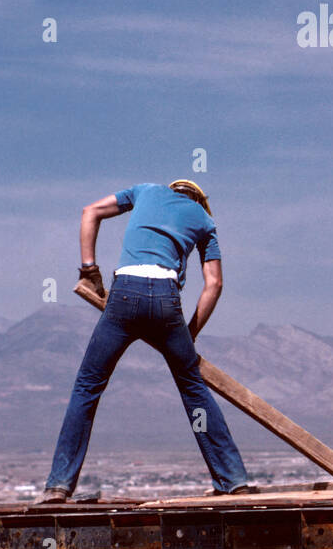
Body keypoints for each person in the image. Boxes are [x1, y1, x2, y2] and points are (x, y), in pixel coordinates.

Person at [39, 180, 250, 502]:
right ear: (199, 201)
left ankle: (58, 486)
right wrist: (189, 333)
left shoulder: (146, 191)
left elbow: (90, 211)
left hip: (125, 291)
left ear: (173, 190)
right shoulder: (205, 220)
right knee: (192, 386)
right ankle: (233, 479)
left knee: (87, 386)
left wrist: (89, 270)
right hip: (167, 299)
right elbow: (215, 284)